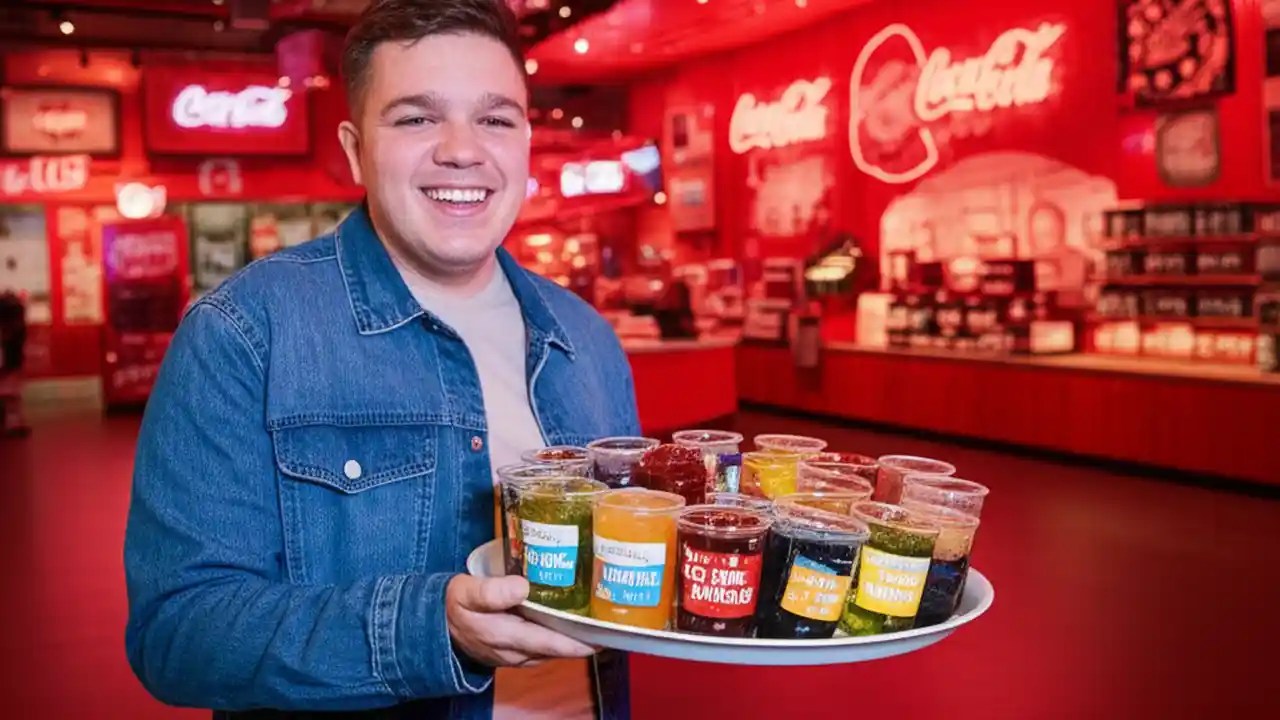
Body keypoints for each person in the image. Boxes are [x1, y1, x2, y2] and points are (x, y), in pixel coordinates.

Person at [123, 1, 639, 718]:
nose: (463, 149)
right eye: (416, 118)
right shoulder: (244, 333)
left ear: (526, 138)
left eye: (495, 119)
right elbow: (178, 632)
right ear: (354, 147)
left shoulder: (587, 342)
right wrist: (431, 630)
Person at [0, 289, 30, 437]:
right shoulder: (16, 328)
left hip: (7, 361)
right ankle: (13, 423)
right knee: (11, 394)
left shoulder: (7, 329)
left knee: (9, 392)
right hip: (11, 361)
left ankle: (11, 422)